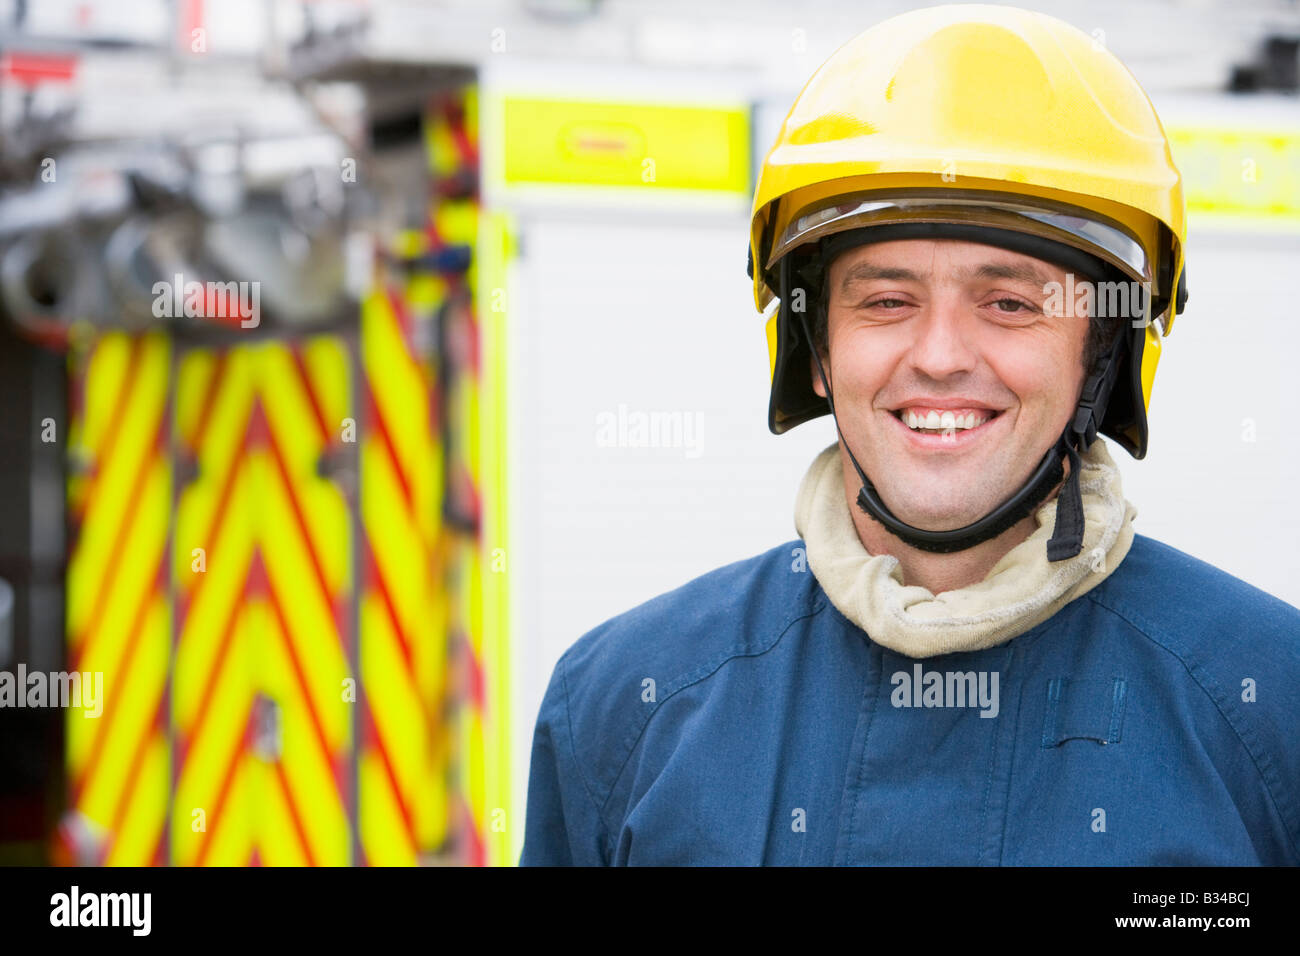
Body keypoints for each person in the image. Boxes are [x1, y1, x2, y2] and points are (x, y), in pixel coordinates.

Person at [519, 4, 1300, 866]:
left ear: (1102, 354)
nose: (938, 358)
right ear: (814, 350)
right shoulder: (624, 706)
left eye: (1009, 303)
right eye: (886, 300)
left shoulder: (1269, 705)